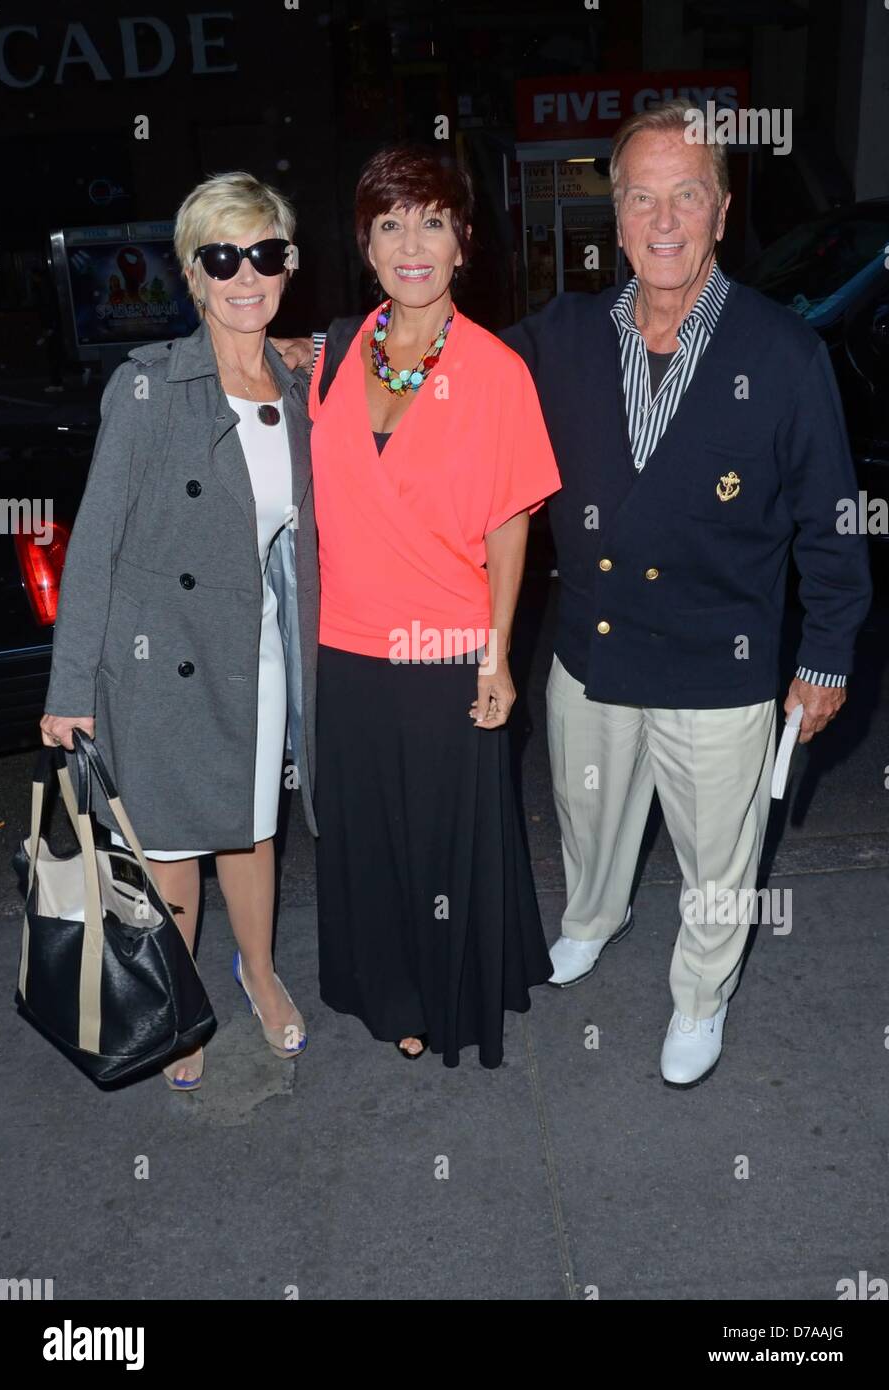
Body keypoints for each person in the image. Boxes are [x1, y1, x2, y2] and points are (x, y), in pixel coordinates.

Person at [499, 99, 872, 1086]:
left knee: (720, 860)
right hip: (592, 651)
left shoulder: (782, 352)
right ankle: (593, 917)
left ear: (720, 208)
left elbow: (831, 518)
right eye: (641, 199)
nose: (664, 221)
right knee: (587, 815)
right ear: (614, 218)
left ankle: (700, 995)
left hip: (722, 666)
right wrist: (332, 352)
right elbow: (445, 368)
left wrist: (827, 651)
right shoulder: (561, 334)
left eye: (687, 196)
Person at [40, 171, 318, 1090]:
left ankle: (262, 974)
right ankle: (177, 995)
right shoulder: (151, 386)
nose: (247, 275)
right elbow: (96, 545)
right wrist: (70, 689)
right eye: (223, 257)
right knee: (169, 847)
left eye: (265, 254)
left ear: (287, 265)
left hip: (257, 648)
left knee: (250, 828)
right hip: (156, 659)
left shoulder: (301, 381)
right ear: (193, 275)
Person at [304, 144, 561, 1067]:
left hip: (445, 645)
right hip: (343, 646)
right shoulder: (333, 351)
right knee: (368, 831)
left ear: (463, 243)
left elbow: (509, 527)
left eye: (433, 221)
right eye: (389, 223)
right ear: (366, 245)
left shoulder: (496, 370)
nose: (412, 242)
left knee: (444, 834)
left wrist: (496, 656)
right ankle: (388, 985)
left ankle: (443, 991)